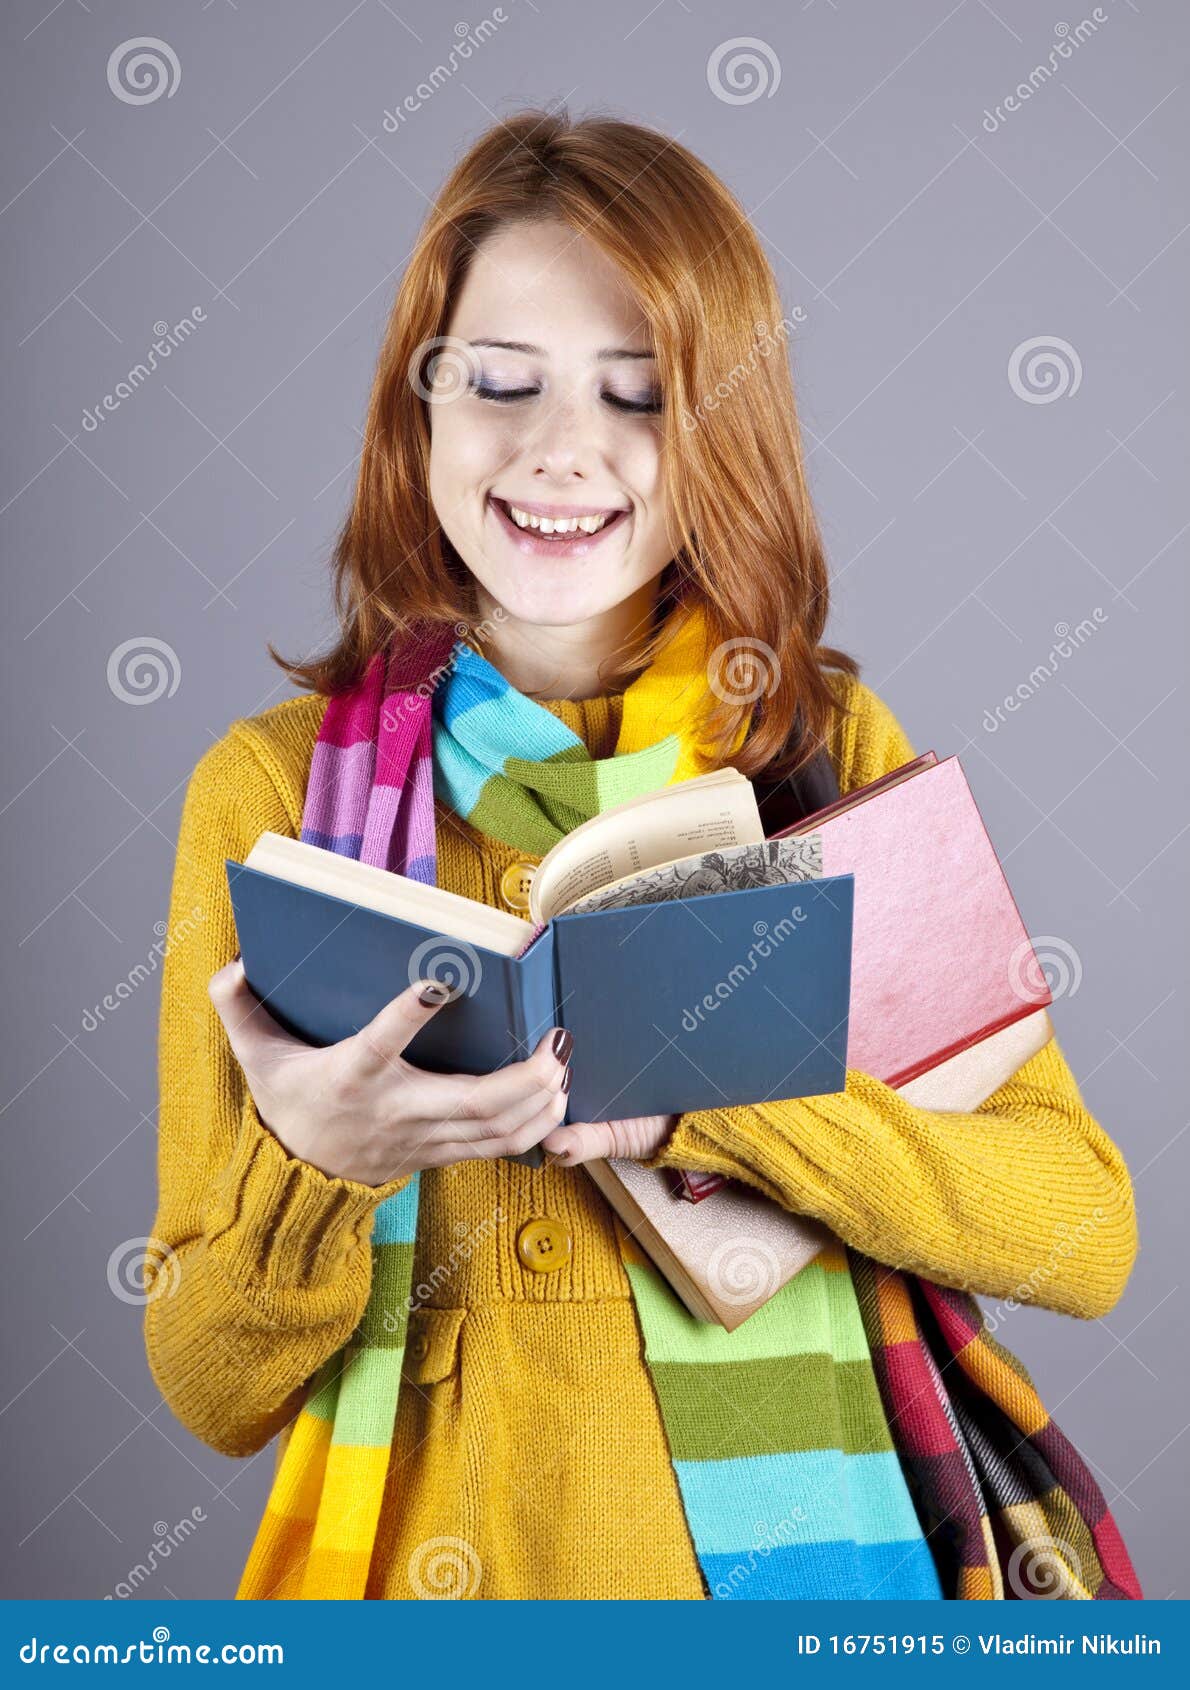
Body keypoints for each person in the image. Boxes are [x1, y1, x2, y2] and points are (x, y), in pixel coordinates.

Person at [146, 109, 1137, 1601]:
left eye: (640, 393)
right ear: (420, 408)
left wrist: (719, 1112)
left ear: (723, 429)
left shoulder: (823, 754)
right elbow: (207, 1383)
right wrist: (318, 1167)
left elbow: (1081, 1228)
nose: (560, 449)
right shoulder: (278, 798)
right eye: (500, 382)